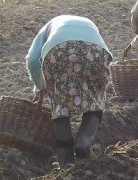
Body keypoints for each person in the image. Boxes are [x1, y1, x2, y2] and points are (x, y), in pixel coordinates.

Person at [26, 16, 113, 168]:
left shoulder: (48, 27)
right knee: (95, 99)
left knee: (60, 106)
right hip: (95, 51)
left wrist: (40, 86)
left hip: (58, 50)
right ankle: (84, 142)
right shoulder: (88, 23)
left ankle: (65, 163)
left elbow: (33, 60)